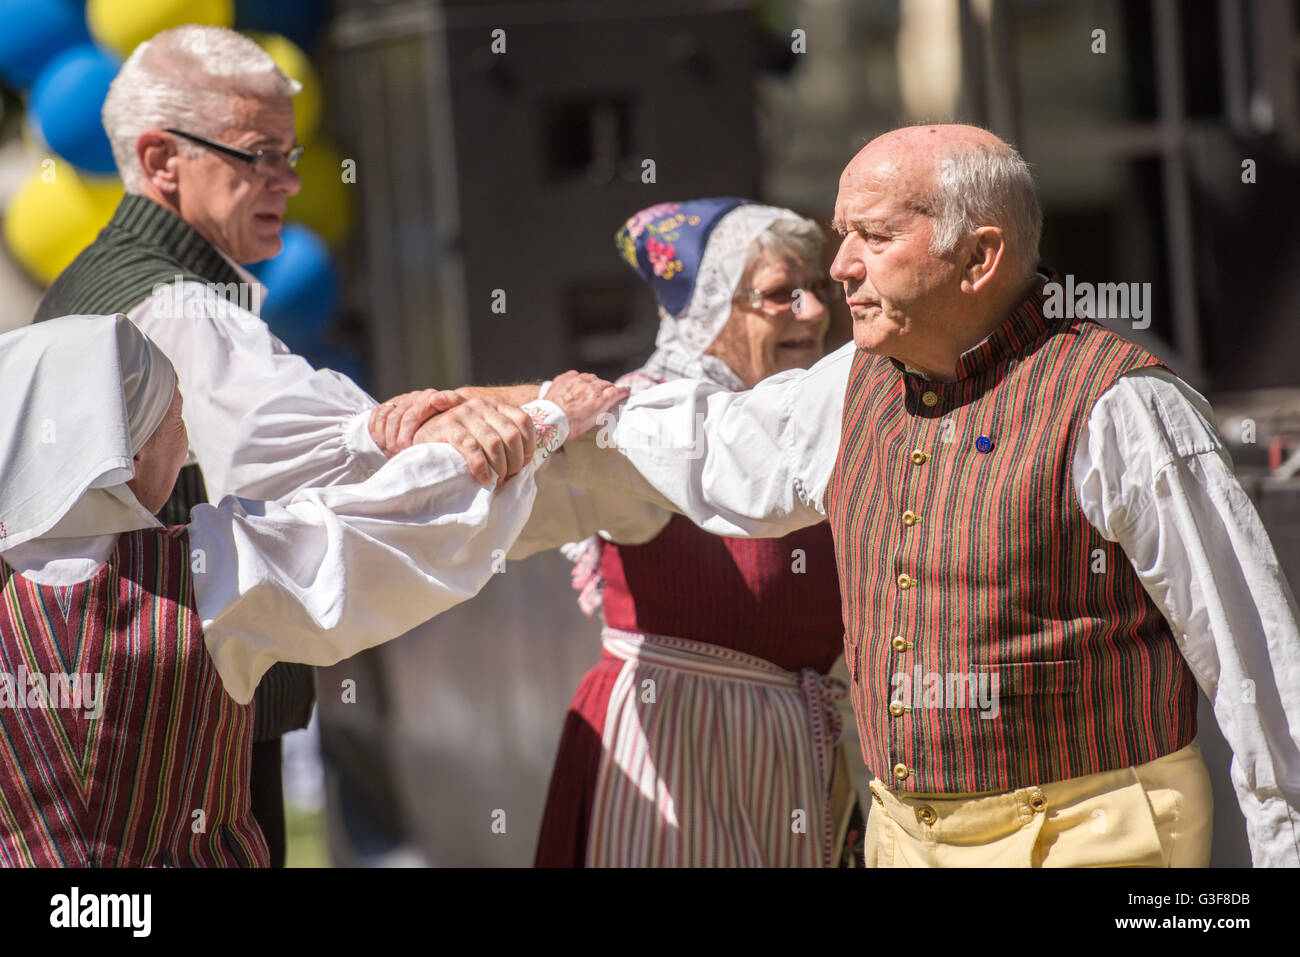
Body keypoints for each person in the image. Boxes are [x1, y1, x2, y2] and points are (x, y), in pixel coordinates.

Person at [566, 125, 1300, 867]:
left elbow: (1258, 663)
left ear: (980, 257)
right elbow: (716, 446)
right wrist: (530, 417)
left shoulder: (1124, 405)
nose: (840, 267)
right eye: (842, 233)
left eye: (875, 236)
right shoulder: (850, 383)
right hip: (903, 839)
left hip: (1090, 834)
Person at [31, 24, 519, 864]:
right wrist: (537, 414)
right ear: (160, 159)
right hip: (166, 738)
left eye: (292, 154)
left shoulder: (127, 285)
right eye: (261, 155)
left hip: (150, 722)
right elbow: (343, 445)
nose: (291, 182)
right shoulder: (171, 309)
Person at [0, 314, 623, 867]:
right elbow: (392, 529)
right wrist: (545, 419)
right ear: (124, 451)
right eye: (174, 419)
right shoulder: (205, 569)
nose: (187, 448)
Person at [513, 198, 860, 867]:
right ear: (706, 310)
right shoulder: (639, 421)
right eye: (781, 294)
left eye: (817, 289)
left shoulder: (818, 423)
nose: (815, 311)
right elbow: (509, 517)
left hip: (795, 756)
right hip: (676, 754)